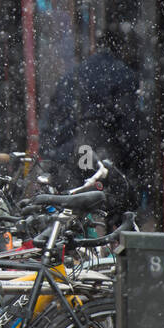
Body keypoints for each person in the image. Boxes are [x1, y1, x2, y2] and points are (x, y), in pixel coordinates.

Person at [39, 33, 144, 217]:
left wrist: (52, 157)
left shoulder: (73, 75)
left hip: (69, 157)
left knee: (72, 217)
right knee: (106, 212)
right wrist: (135, 162)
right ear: (121, 49)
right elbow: (129, 128)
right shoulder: (124, 76)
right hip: (97, 157)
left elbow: (50, 124)